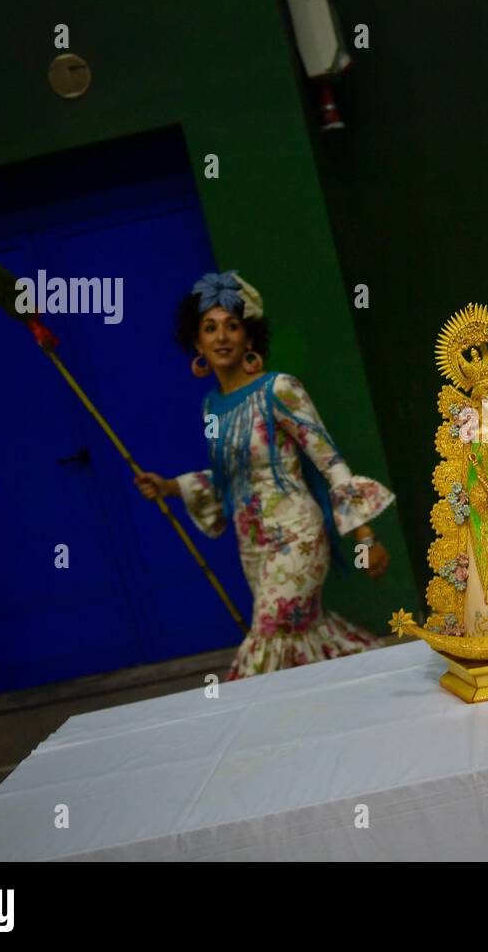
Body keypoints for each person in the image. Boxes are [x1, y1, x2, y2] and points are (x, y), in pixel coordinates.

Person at [135, 270, 395, 679]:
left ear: (249, 338)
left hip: (298, 537)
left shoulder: (280, 389)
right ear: (197, 342)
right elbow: (230, 479)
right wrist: (169, 487)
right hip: (253, 549)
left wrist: (366, 536)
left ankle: (245, 725)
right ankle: (370, 684)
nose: (221, 337)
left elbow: (330, 460)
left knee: (268, 638)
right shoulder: (210, 408)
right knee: (303, 634)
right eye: (210, 328)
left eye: (232, 326)